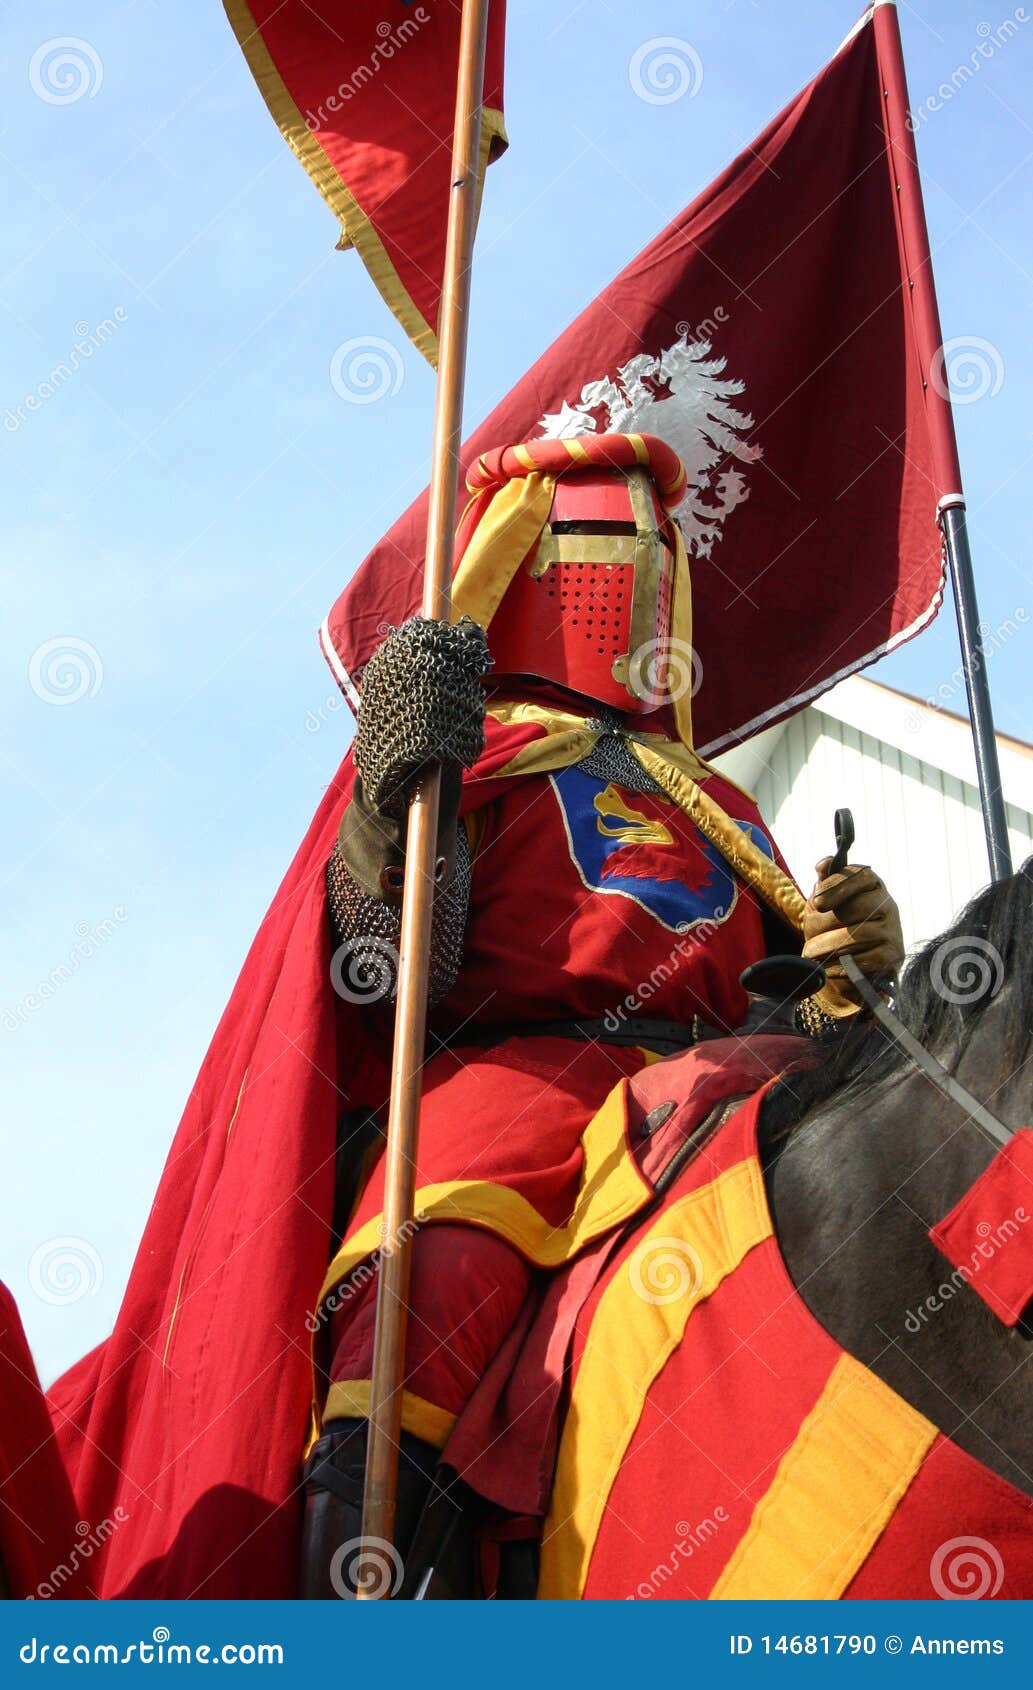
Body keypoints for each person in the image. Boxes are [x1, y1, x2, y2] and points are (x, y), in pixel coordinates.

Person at [301, 432, 904, 1595]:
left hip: (725, 1087)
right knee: (427, 1281)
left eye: (653, 547)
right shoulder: (472, 759)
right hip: (517, 1094)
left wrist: (853, 972)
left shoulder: (717, 800)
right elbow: (386, 963)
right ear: (523, 563)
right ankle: (361, 1610)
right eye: (596, 543)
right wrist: (396, 785)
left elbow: (804, 1009)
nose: (633, 572)